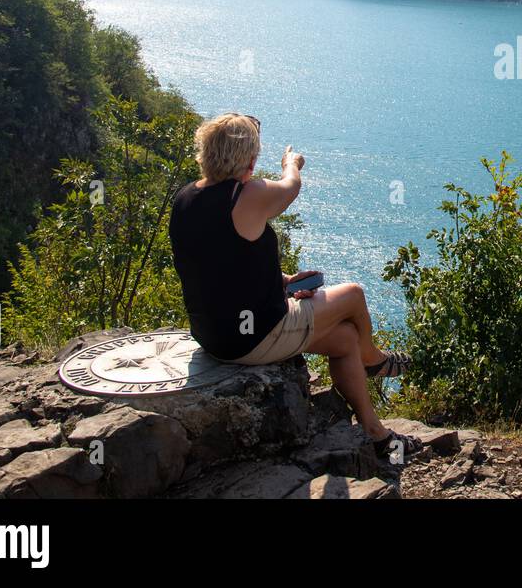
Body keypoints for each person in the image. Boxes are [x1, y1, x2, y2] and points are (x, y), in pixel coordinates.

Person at [168, 112, 420, 462]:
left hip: (215, 337)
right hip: (255, 337)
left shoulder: (185, 199)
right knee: (353, 296)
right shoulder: (246, 195)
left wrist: (282, 283)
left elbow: (220, 267)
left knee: (346, 338)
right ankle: (375, 360)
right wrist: (292, 164)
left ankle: (376, 434)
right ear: (248, 158)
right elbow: (291, 188)